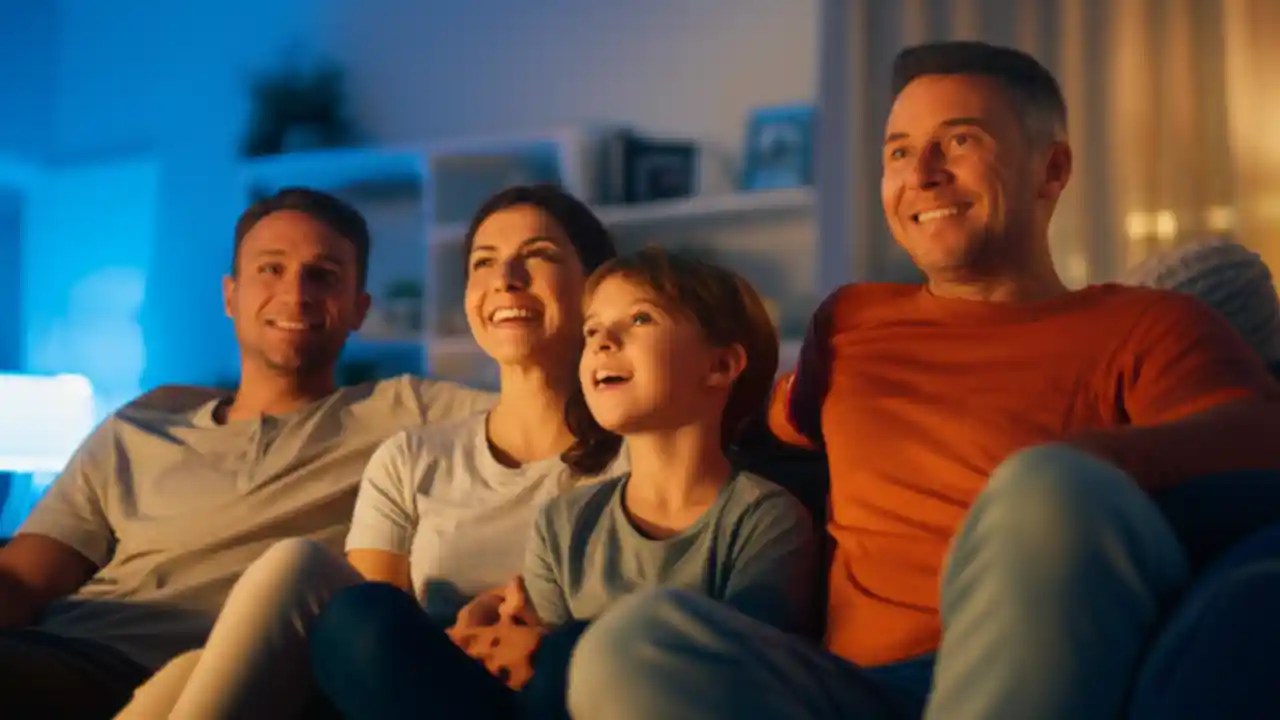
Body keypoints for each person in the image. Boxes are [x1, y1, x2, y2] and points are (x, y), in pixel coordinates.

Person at [565, 41, 1280, 720]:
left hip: (1044, 664)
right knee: (634, 645)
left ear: (1051, 170)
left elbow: (1256, 436)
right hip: (855, 691)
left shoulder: (1149, 323)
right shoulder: (849, 324)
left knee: (1050, 488)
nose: (922, 173)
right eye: (899, 152)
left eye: (960, 142)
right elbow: (735, 411)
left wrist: (1092, 461)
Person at [115, 183, 625, 719]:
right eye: (484, 262)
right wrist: (456, 641)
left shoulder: (647, 452)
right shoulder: (412, 456)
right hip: (424, 693)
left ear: (598, 286)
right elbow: (369, 633)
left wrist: (540, 636)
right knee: (272, 609)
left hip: (566, 694)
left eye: (538, 256)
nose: (505, 279)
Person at [0, 187, 493, 719]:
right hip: (61, 652)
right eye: (271, 269)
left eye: (323, 275)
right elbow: (25, 577)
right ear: (230, 295)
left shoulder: (406, 412)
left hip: (203, 677)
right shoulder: (144, 422)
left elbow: (549, 408)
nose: (296, 293)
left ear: (358, 308)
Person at [308, 247, 816, 719]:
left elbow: (739, 679)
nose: (603, 342)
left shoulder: (764, 519)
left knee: (577, 650)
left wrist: (556, 651)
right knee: (359, 617)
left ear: (721, 364)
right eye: (592, 330)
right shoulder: (565, 521)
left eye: (640, 319)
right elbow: (532, 683)